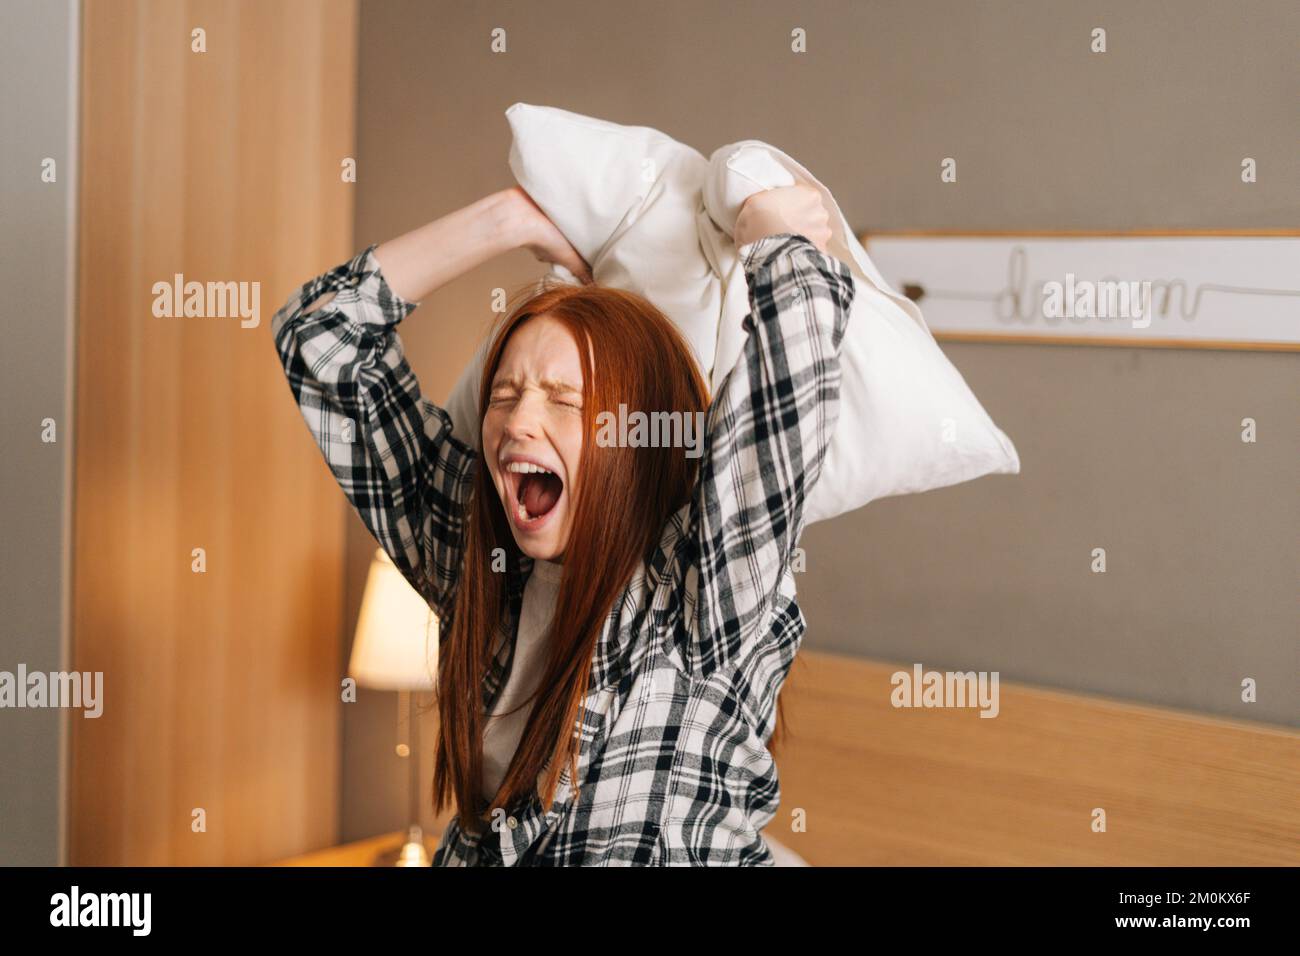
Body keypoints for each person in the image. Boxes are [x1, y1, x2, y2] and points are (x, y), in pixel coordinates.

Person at [270, 182, 853, 865]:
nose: (517, 422)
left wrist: (774, 243)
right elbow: (318, 336)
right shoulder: (471, 557)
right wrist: (512, 220)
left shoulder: (696, 595)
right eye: (506, 394)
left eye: (563, 401)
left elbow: (782, 411)